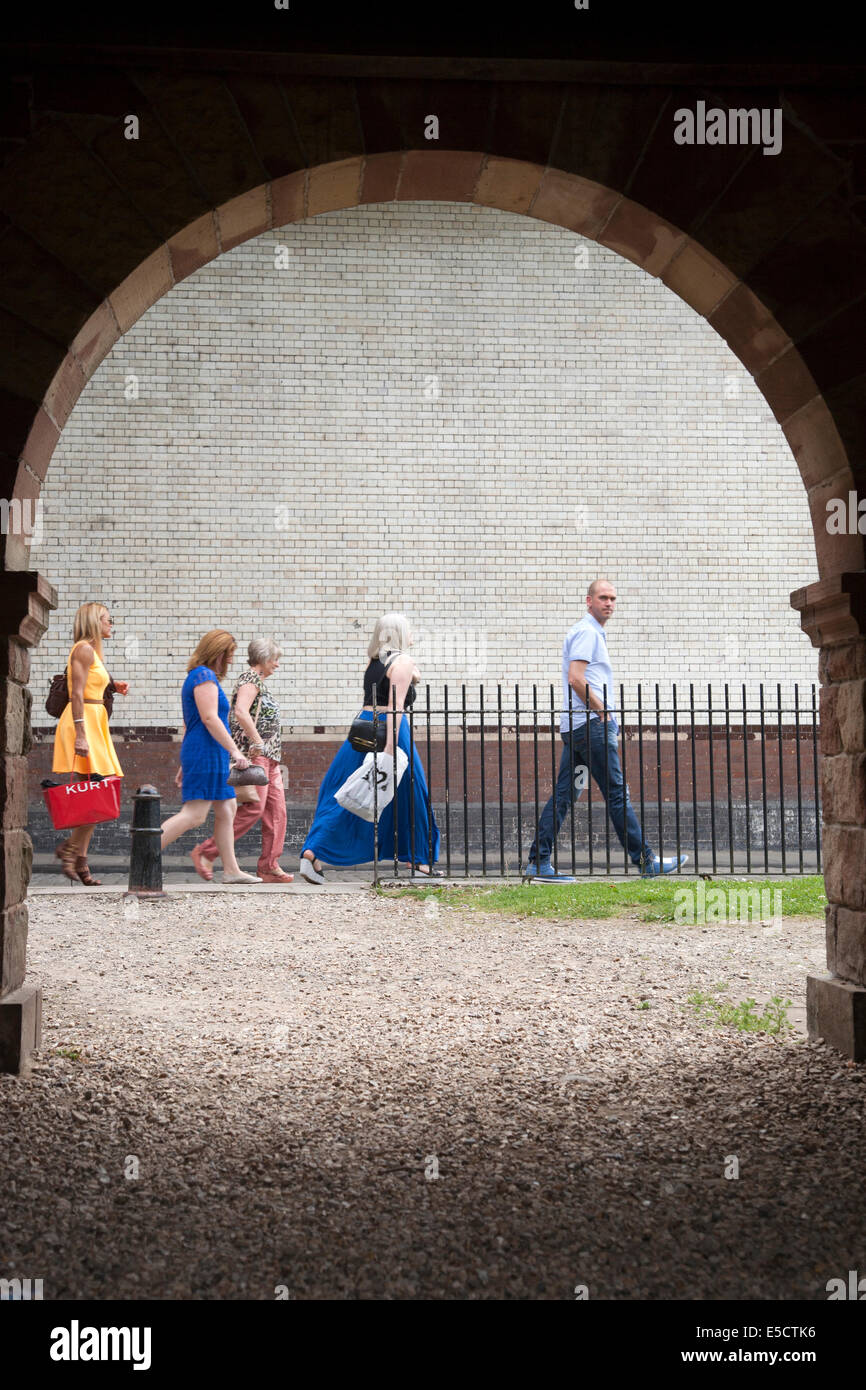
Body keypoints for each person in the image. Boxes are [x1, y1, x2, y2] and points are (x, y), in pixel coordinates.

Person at [524, 579, 689, 880]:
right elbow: (577, 678)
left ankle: (539, 863)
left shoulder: (586, 632)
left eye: (613, 598)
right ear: (589, 601)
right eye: (603, 598)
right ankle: (646, 861)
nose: (609, 603)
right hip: (591, 727)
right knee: (616, 794)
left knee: (564, 796)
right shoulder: (587, 632)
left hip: (577, 728)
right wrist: (604, 711)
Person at [299, 613, 441, 884]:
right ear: (400, 633)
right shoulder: (402, 661)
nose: (413, 635)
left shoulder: (375, 661)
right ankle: (417, 860)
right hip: (389, 729)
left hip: (364, 726)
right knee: (412, 792)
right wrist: (390, 748)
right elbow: (396, 707)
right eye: (409, 630)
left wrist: (412, 671)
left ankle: (312, 852)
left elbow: (411, 676)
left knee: (348, 789)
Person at [160, 630, 260, 884]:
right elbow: (209, 718)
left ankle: (231, 870)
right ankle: (142, 851)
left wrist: (185, 762)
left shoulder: (201, 677)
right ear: (218, 652)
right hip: (206, 750)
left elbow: (189, 723)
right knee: (195, 814)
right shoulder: (203, 676)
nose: (230, 660)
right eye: (229, 654)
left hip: (206, 750)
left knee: (228, 807)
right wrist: (235, 751)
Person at [190, 637, 293, 883]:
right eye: (275, 659)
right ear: (265, 659)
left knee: (277, 811)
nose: (277, 665)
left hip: (270, 757)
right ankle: (207, 851)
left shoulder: (260, 682)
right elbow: (240, 712)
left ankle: (269, 865)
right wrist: (257, 741)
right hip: (255, 755)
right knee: (255, 808)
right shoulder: (250, 679)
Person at [52, 602, 128, 885]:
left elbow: (92, 687)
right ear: (95, 622)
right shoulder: (83, 649)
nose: (112, 625)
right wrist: (81, 734)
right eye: (109, 620)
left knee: (97, 792)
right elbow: (77, 694)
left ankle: (78, 858)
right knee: (96, 791)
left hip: (96, 722)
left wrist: (112, 686)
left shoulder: (93, 652)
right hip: (83, 724)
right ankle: (71, 851)